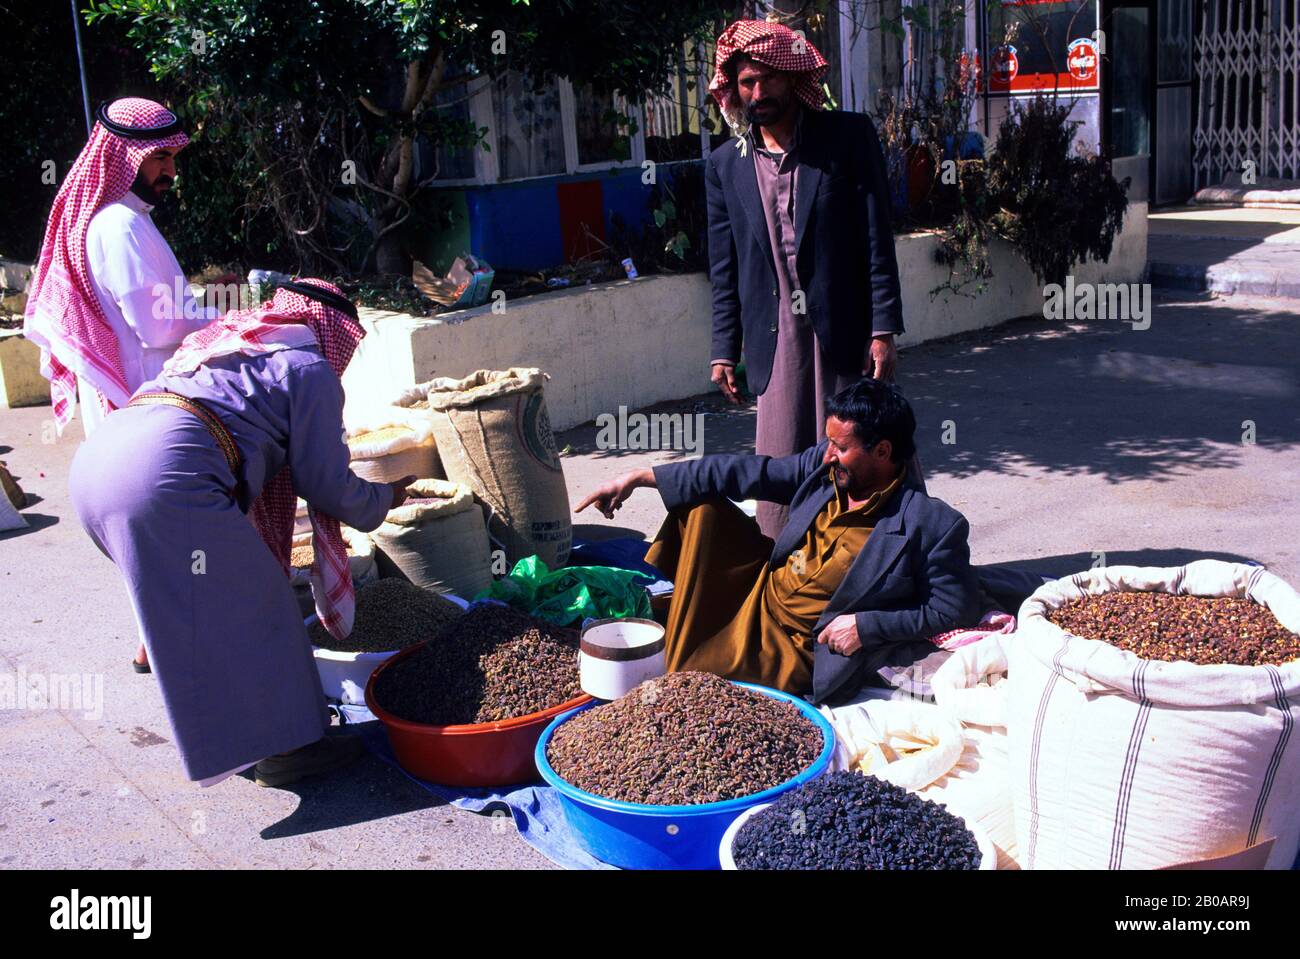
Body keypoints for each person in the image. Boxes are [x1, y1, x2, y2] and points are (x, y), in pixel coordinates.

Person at [68, 279, 415, 788]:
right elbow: (327, 484)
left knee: (203, 610)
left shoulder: (225, 341)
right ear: (332, 329)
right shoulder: (309, 366)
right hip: (160, 481)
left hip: (97, 467)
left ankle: (244, 738)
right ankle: (289, 749)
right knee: (261, 605)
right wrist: (386, 497)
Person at [576, 379, 979, 706]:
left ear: (883, 451)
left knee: (689, 684)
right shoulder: (826, 468)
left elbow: (953, 606)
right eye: (829, 444)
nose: (828, 456)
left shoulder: (931, 524)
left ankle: (691, 641)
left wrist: (867, 625)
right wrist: (639, 476)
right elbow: (749, 472)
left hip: (792, 644)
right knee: (702, 507)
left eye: (841, 447)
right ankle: (677, 605)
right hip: (758, 591)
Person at [704, 20, 915, 539]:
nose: (759, 93)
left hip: (844, 331)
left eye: (770, 80)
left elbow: (875, 238)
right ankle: (791, 571)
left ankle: (890, 558)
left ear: (793, 78)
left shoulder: (846, 138)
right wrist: (722, 349)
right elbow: (724, 267)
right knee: (782, 463)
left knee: (864, 453)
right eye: (748, 83)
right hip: (775, 340)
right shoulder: (724, 165)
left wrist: (884, 327)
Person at [23, 97, 225, 440]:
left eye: (172, 159)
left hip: (144, 400)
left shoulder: (130, 217)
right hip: (142, 400)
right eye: (160, 157)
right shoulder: (119, 224)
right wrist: (218, 318)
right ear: (122, 157)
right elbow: (157, 328)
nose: (171, 172)